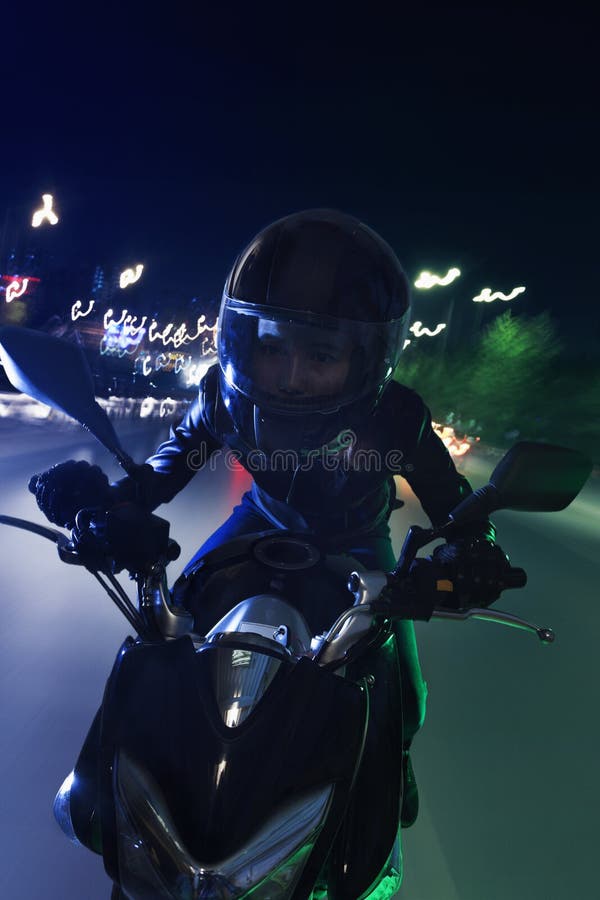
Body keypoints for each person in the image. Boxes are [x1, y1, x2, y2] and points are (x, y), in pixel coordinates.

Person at [31, 208, 510, 831]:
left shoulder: (396, 415)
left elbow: (452, 501)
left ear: (364, 358)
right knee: (163, 626)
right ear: (243, 339)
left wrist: (477, 546)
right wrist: (106, 504)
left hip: (357, 542)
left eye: (320, 355)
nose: (290, 375)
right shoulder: (222, 395)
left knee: (403, 683)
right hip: (260, 521)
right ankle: (97, 776)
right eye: (272, 346)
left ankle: (393, 756)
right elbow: (168, 467)